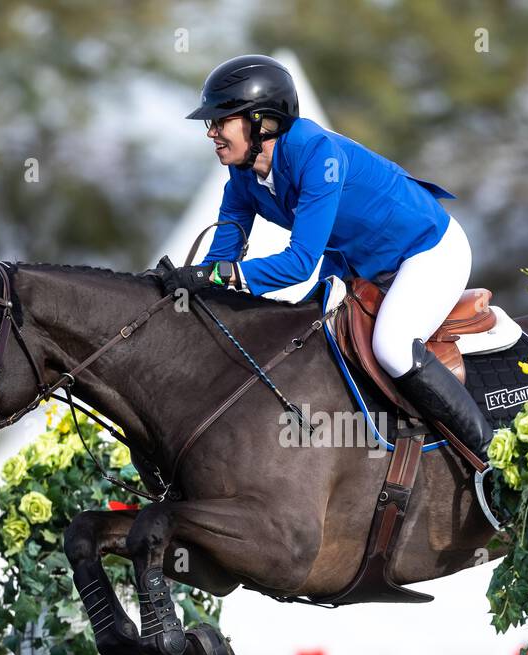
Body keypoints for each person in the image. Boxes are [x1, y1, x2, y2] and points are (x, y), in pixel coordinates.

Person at [177, 54, 491, 459]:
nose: (211, 133)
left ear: (261, 120)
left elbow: (298, 263)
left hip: (427, 251)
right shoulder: (241, 177)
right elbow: (219, 260)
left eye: (221, 121)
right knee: (305, 343)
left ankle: (490, 457)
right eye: (211, 123)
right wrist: (182, 283)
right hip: (358, 267)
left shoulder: (317, 153)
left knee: (392, 347)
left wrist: (217, 276)